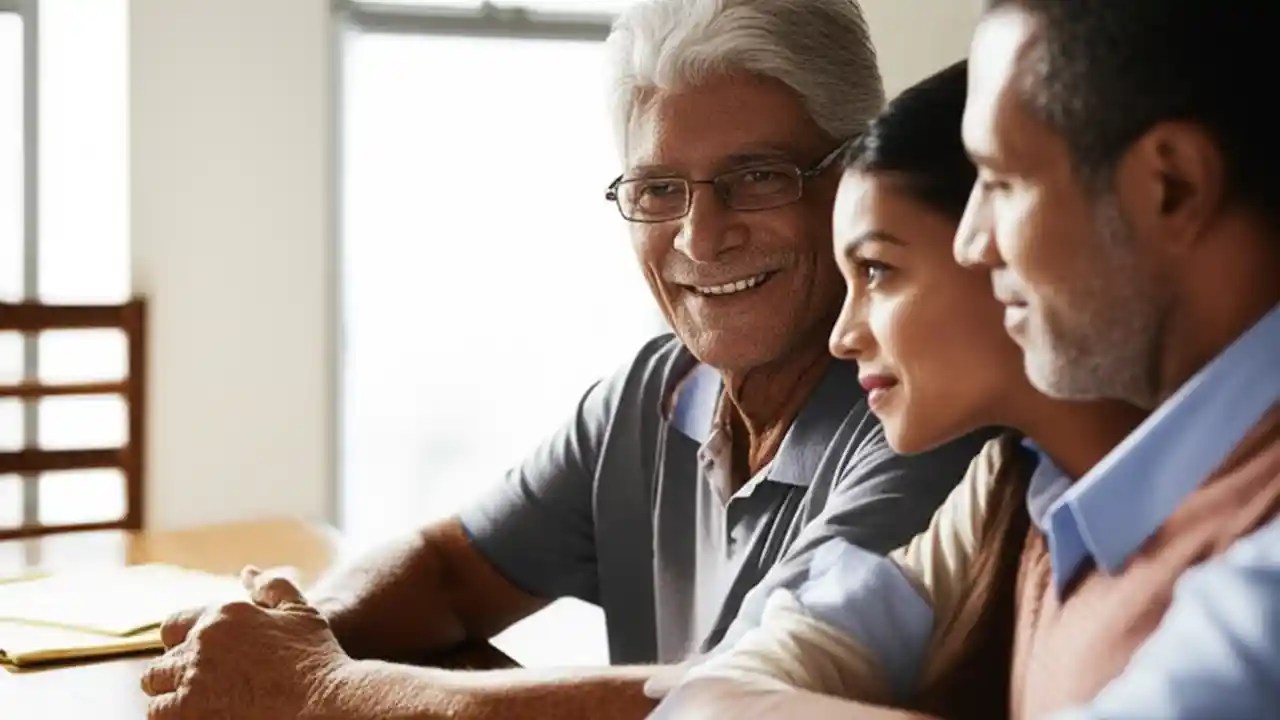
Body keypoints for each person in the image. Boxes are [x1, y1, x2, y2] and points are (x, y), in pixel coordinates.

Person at [139, 2, 991, 718]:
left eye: (759, 176)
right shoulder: (654, 392)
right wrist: (297, 636)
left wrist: (323, 685)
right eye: (659, 189)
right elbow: (445, 574)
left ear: (853, 174)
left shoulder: (919, 415)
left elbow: (738, 704)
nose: (701, 235)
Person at [658, 1, 1280, 717]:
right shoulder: (1024, 491)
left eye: (1003, 182)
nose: (973, 243)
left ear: (1170, 185)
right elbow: (771, 662)